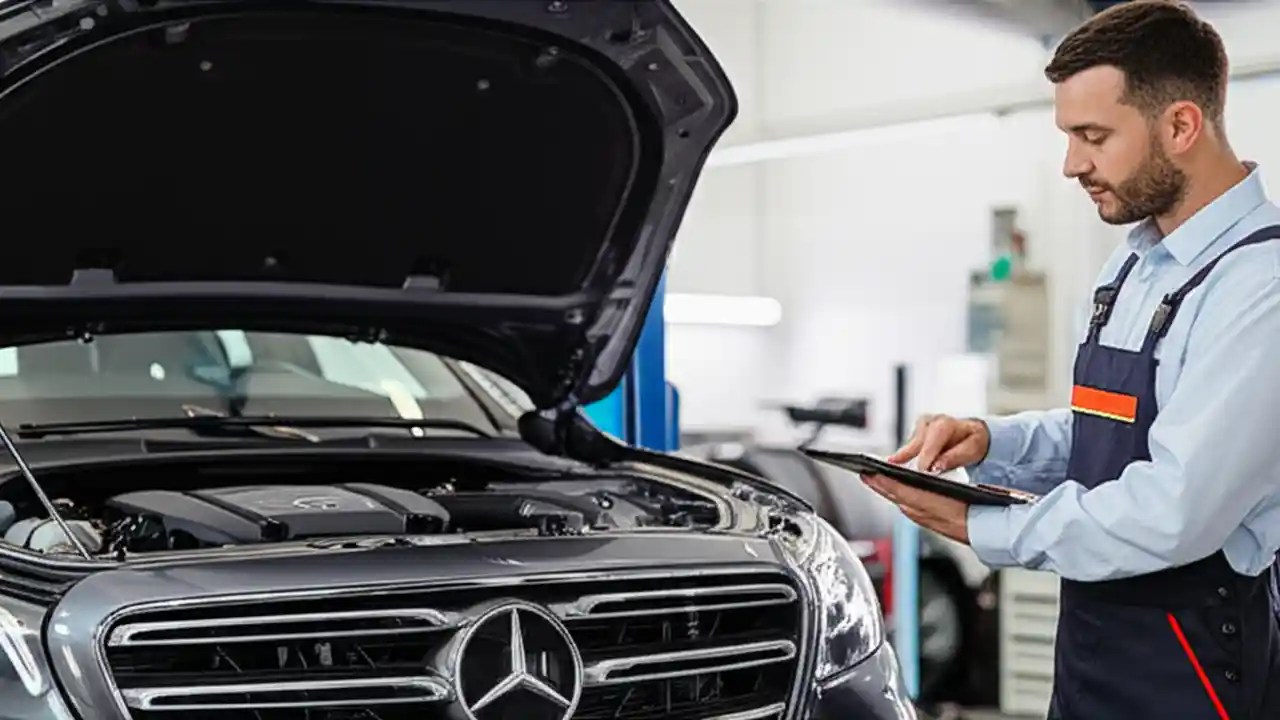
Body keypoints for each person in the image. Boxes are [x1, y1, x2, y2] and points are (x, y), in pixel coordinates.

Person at [860, 2, 1280, 719]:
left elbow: (1173, 510)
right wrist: (994, 441)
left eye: (1092, 136)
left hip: (1197, 675)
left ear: (1181, 125)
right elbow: (1110, 431)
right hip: (1093, 657)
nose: (1071, 164)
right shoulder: (1135, 265)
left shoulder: (1259, 285)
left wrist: (979, 527)